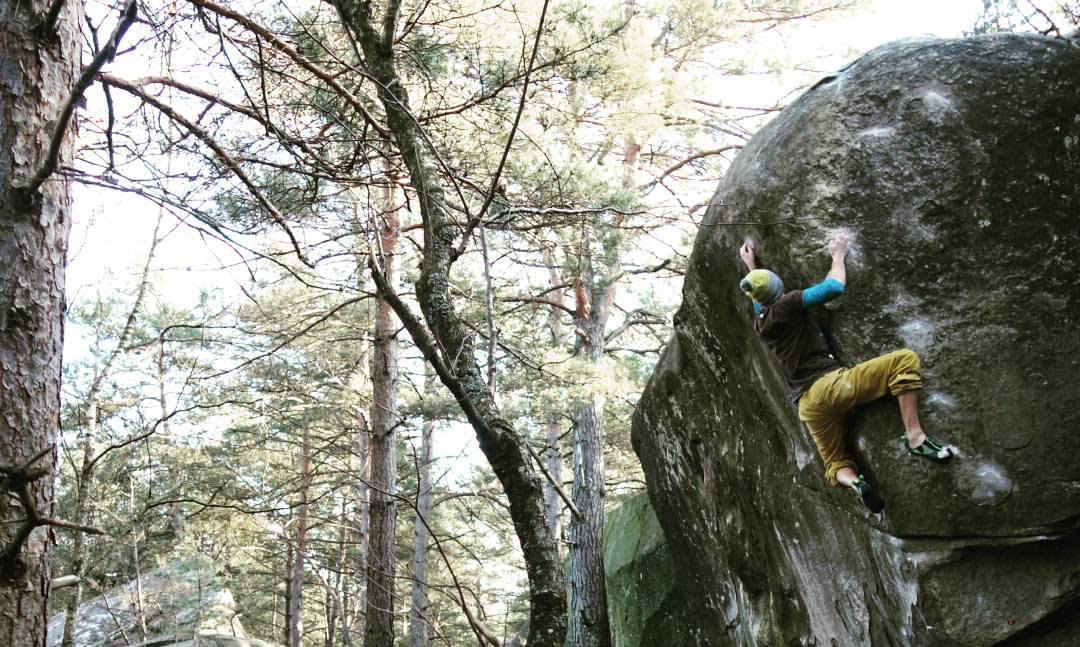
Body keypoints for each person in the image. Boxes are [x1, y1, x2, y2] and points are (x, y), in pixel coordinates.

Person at [737, 235, 952, 513]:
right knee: (904, 361)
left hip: (808, 406)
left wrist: (750, 267)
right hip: (830, 385)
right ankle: (915, 437)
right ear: (779, 288)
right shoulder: (788, 303)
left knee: (835, 461)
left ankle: (854, 483)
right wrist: (838, 256)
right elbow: (833, 287)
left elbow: (759, 293)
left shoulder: (761, 321)